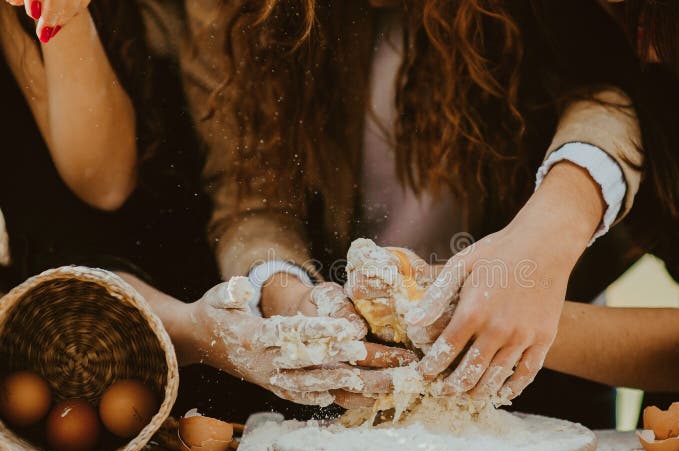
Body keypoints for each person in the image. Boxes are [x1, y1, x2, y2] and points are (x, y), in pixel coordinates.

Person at [178, 0, 663, 427]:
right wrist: (293, 300)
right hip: (353, 383)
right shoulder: (240, 12)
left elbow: (608, 94)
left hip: (541, 354)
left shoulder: (532, 14)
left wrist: (548, 229)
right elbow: (251, 203)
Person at [0, 0, 412, 422]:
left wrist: (283, 293)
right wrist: (201, 331)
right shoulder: (17, 24)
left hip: (247, 346)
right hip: (108, 350)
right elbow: (101, 187)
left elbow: (250, 190)